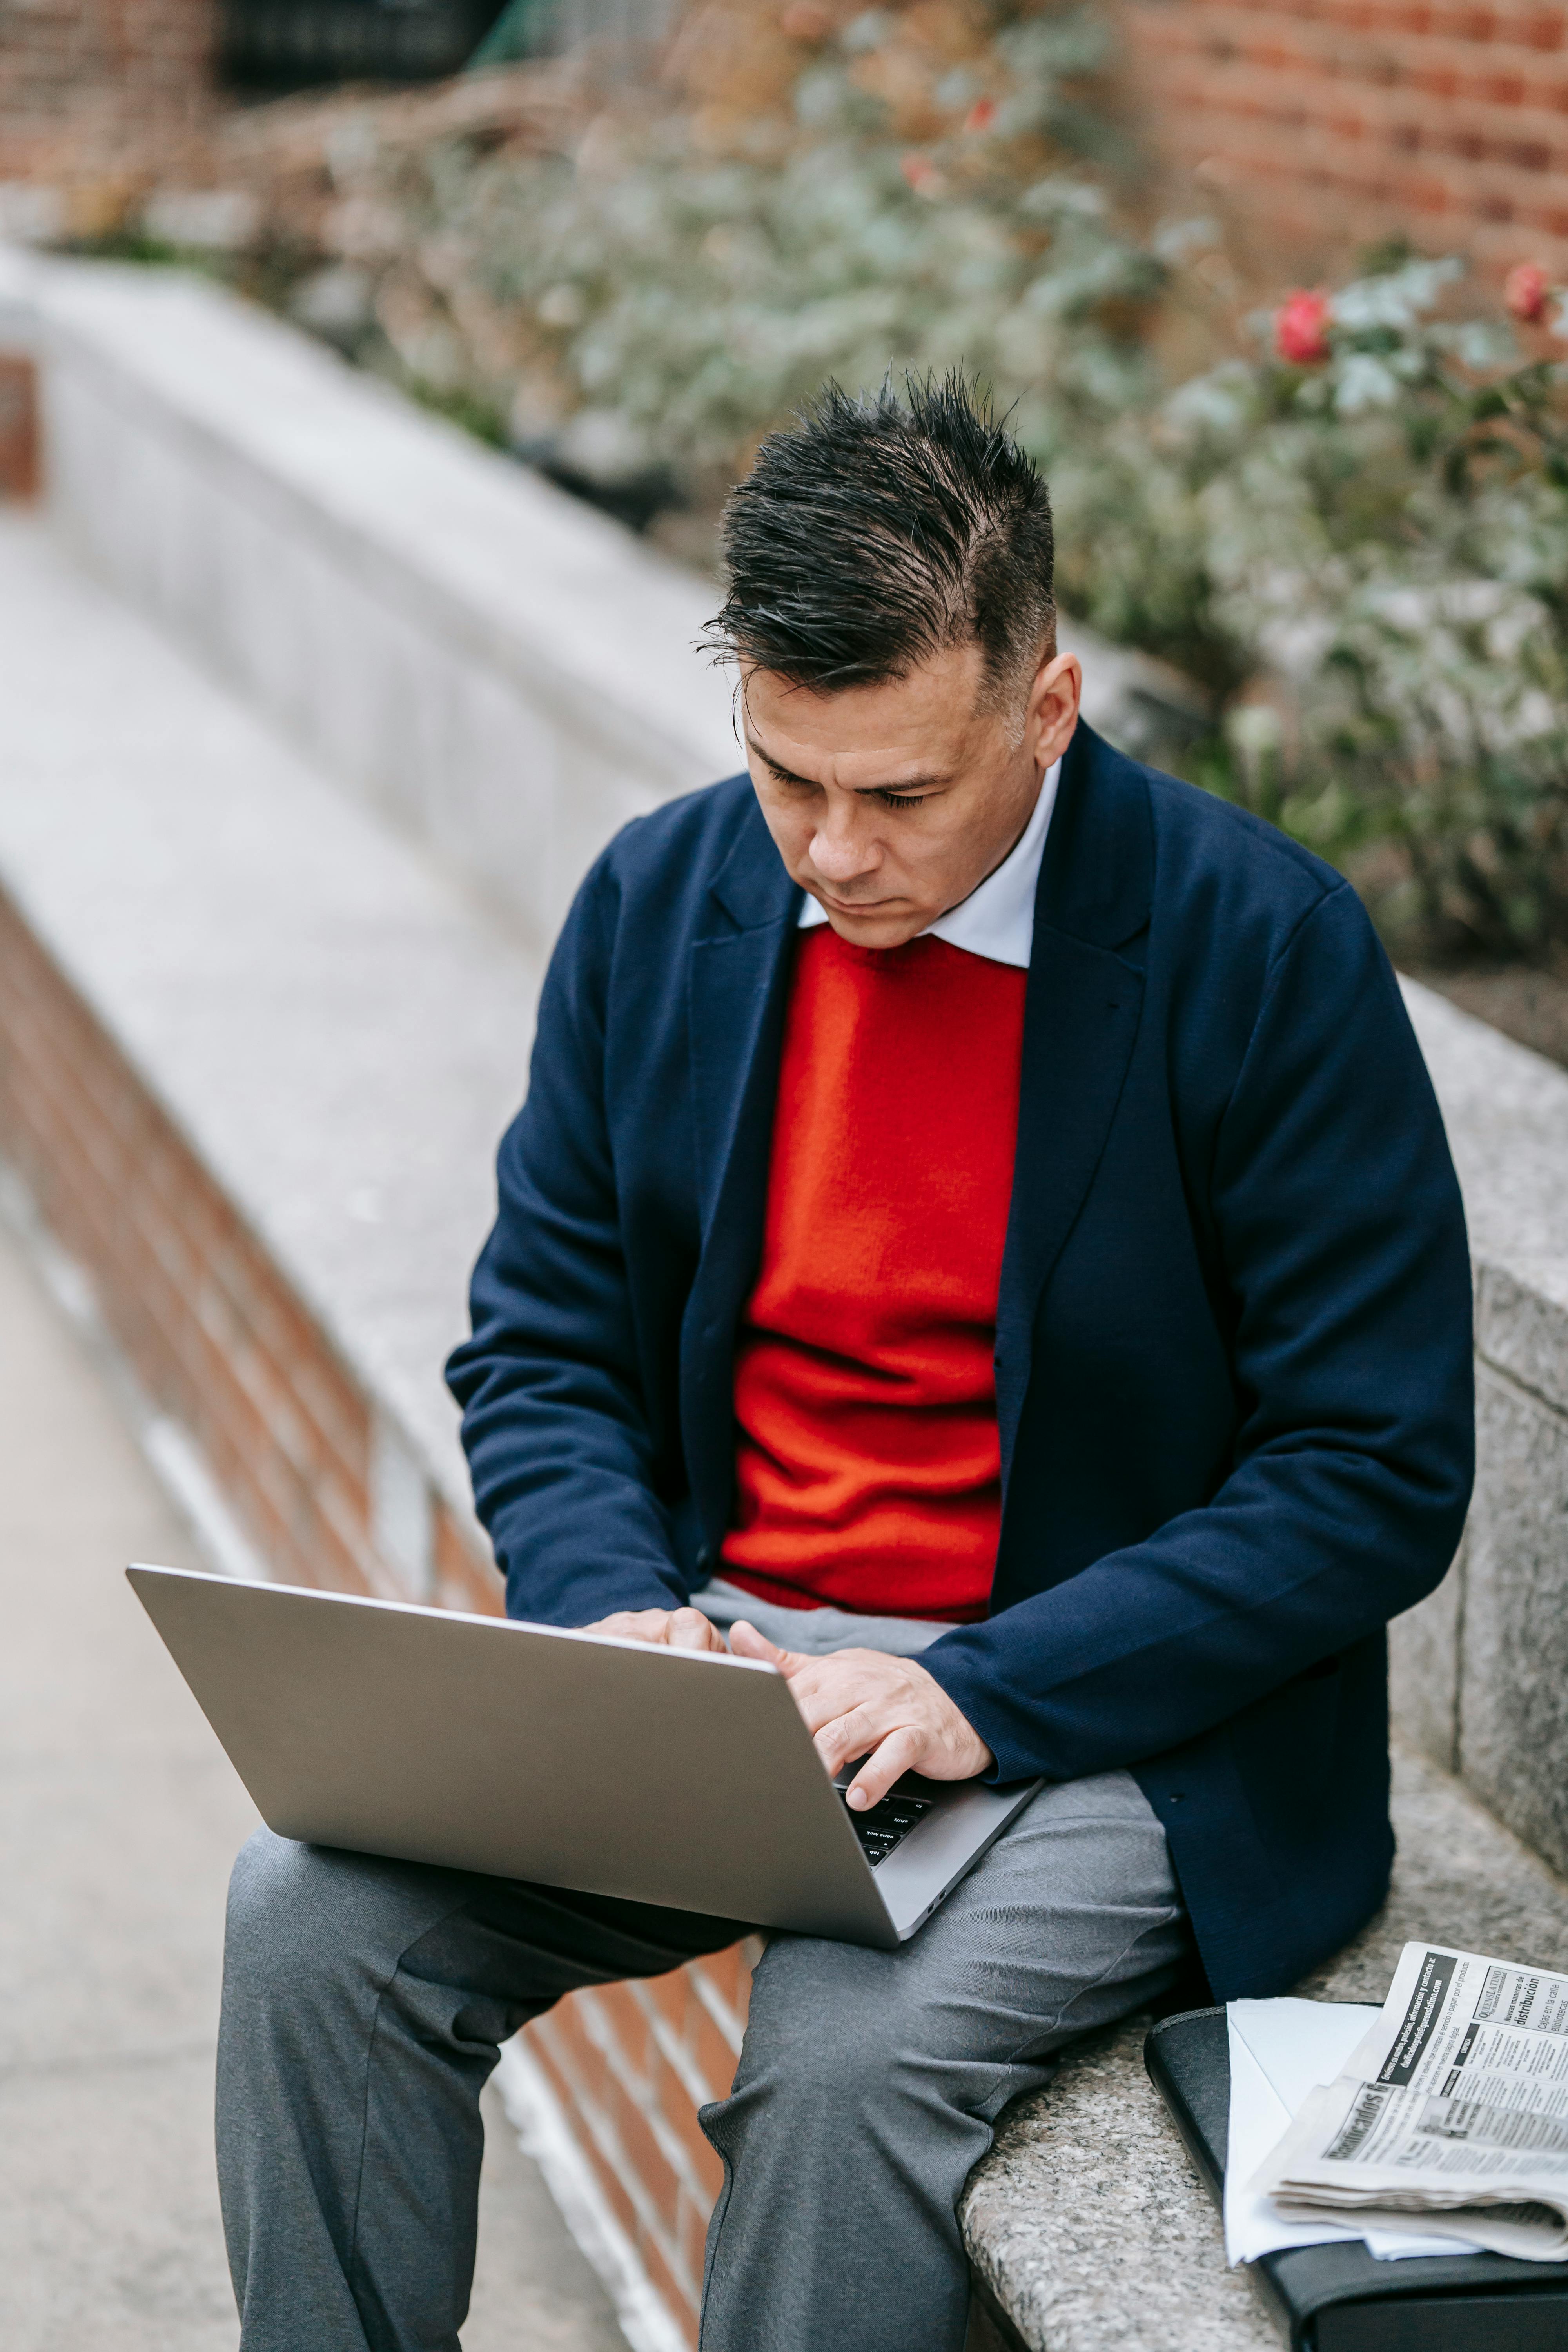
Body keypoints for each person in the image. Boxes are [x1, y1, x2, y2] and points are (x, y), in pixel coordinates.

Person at [215, 376, 1474, 2352]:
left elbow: (1372, 1466)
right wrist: (615, 1618)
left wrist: (978, 1687)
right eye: (785, 775)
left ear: (1043, 709)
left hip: (1087, 1698)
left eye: (897, 796)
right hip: (726, 1662)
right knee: (306, 1924)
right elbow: (542, 1339)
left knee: (841, 2062)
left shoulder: (1260, 952)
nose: (827, 851)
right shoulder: (664, 897)